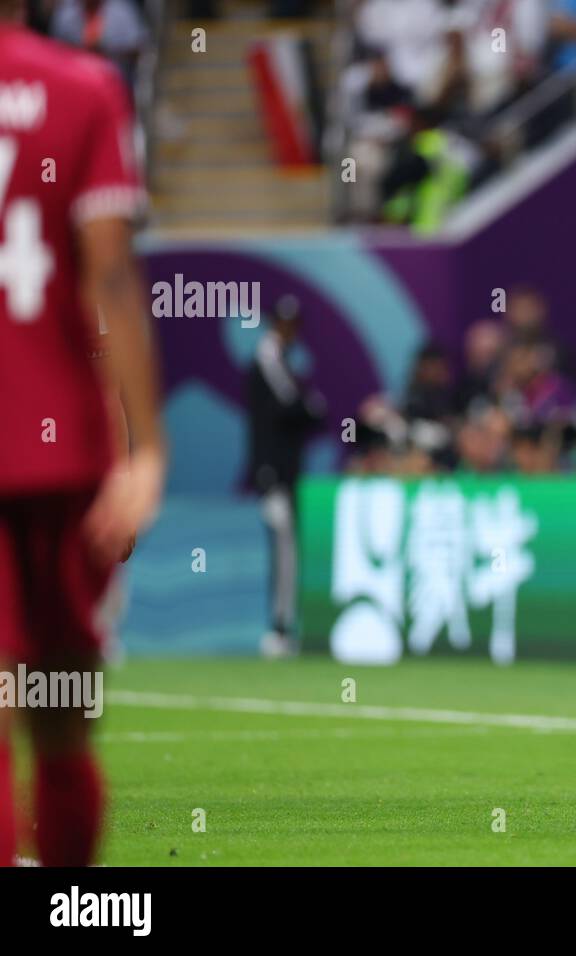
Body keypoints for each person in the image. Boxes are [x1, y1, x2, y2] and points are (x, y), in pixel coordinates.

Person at [0, 5, 166, 866]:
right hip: (56, 453)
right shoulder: (84, 87)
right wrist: (142, 454)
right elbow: (108, 272)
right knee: (61, 714)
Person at [245, 295, 324, 658]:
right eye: (285, 324)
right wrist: (312, 408)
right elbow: (293, 406)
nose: (291, 332)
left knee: (287, 547)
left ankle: (282, 626)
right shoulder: (267, 357)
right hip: (274, 473)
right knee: (283, 547)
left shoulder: (280, 359)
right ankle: (278, 628)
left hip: (284, 472)